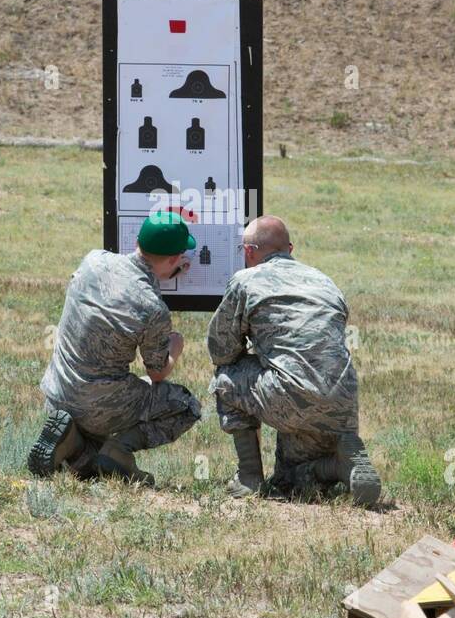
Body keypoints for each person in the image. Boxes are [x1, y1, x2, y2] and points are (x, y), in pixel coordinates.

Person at [208, 215, 380, 506]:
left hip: (291, 395)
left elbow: (220, 350)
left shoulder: (246, 281)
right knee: (291, 483)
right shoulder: (324, 281)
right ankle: (341, 465)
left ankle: (249, 477)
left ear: (249, 252)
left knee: (225, 377)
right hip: (341, 405)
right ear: (290, 248)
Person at [28, 212, 202, 485]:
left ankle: (73, 444)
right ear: (173, 260)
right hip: (98, 404)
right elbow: (157, 373)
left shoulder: (93, 260)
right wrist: (175, 349)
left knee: (93, 448)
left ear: (138, 240)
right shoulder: (153, 308)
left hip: (57, 390)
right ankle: (119, 451)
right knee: (186, 405)